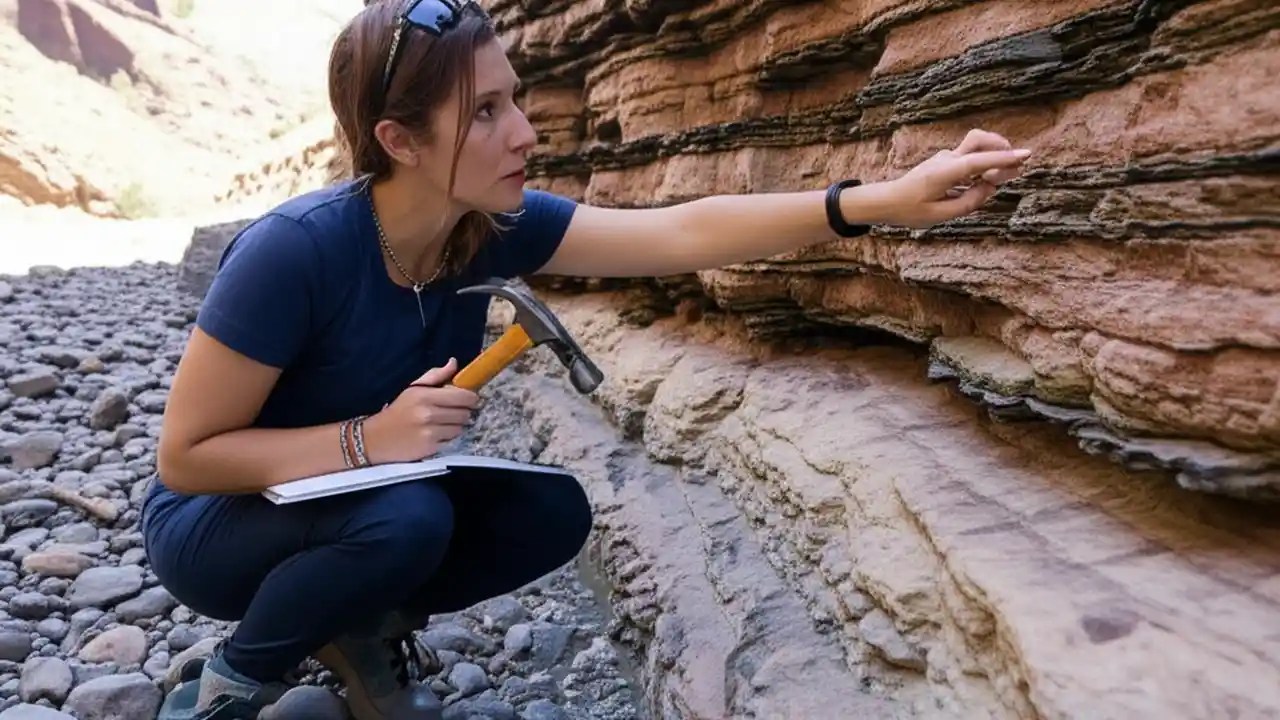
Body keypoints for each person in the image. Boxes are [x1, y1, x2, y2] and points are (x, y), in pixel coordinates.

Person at [140, 0, 1033, 718]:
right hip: (214, 523)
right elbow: (185, 457)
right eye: (486, 112)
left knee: (543, 512)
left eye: (515, 97)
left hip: (349, 497)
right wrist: (368, 439)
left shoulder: (484, 228)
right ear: (399, 142)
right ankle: (226, 688)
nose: (525, 131)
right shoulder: (292, 254)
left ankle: (355, 619)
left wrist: (883, 201)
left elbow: (682, 230)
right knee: (408, 522)